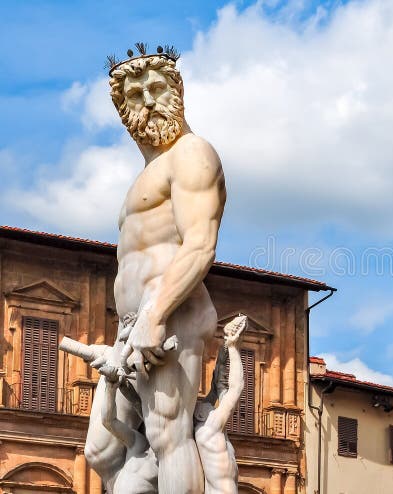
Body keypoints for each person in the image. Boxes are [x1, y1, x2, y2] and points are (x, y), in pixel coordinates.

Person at [84, 47, 227, 493]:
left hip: (169, 314)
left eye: (155, 87)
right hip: (131, 326)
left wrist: (156, 313)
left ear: (177, 90)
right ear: (122, 109)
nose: (146, 99)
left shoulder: (193, 153)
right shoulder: (145, 174)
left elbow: (201, 243)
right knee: (103, 450)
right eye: (134, 94)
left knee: (169, 435)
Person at [194, 315, 247, 494]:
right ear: (200, 415)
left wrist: (223, 350)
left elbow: (217, 386)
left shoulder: (209, 432)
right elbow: (236, 387)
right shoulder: (210, 429)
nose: (211, 403)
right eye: (205, 404)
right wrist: (233, 347)